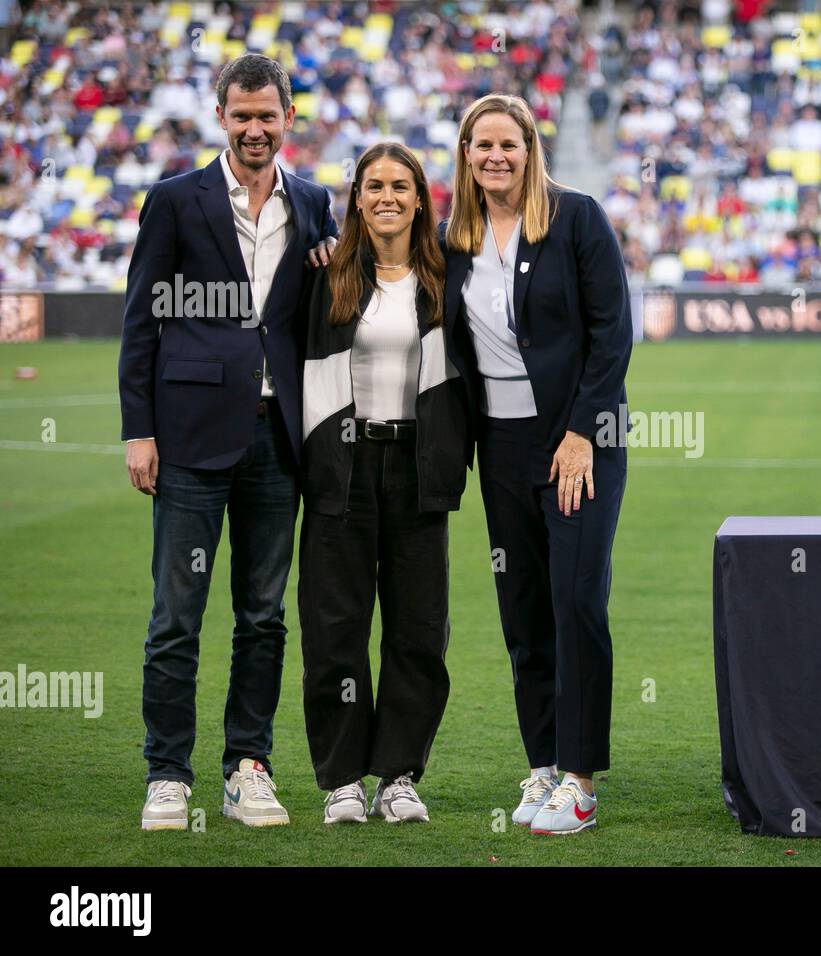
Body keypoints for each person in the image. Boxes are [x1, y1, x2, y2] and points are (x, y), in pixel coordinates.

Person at [118, 54, 337, 830]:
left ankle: (249, 767)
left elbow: (327, 305)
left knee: (264, 615)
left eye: (266, 116)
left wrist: (329, 264)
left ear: (287, 119)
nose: (254, 129)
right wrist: (138, 430)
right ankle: (167, 774)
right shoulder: (176, 200)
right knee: (176, 615)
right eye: (241, 115)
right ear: (221, 117)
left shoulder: (314, 204)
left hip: (279, 439)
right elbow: (142, 320)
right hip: (187, 440)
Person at [440, 93, 633, 835]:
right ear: (465, 153)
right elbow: (387, 271)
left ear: (530, 150)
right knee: (522, 613)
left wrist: (582, 431)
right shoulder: (452, 236)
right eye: (480, 145)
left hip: (579, 440)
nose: (494, 156)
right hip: (501, 446)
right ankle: (544, 764)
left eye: (508, 145)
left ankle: (580, 780)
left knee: (576, 601)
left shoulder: (576, 216)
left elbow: (612, 332)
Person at [297, 142, 472, 824]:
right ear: (358, 198)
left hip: (418, 467)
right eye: (374, 185)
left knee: (418, 630)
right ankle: (342, 779)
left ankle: (398, 776)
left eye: (401, 185)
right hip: (342, 467)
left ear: (421, 198)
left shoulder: (445, 276)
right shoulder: (325, 274)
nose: (387, 196)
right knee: (334, 627)